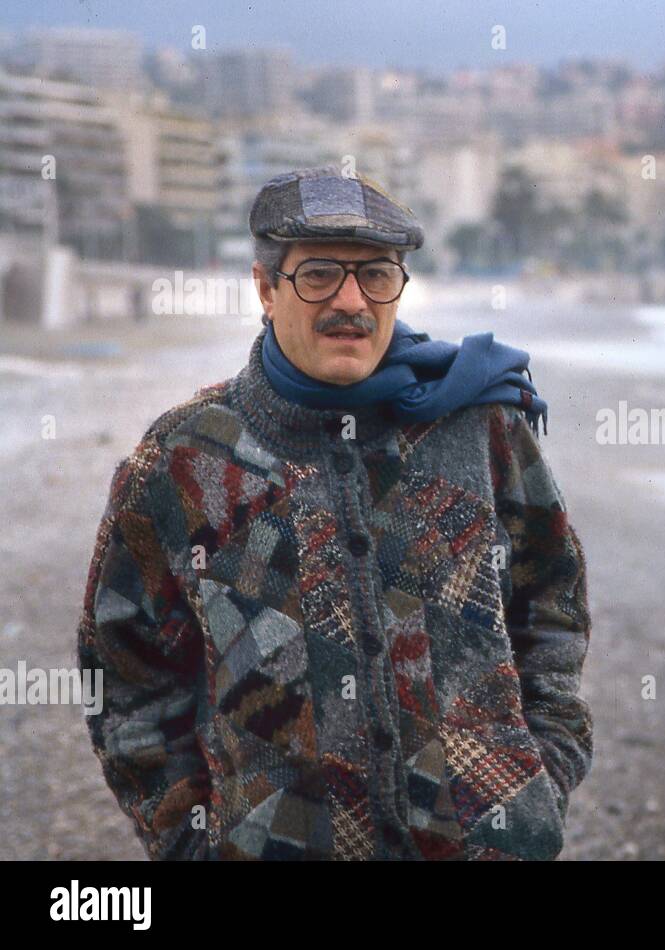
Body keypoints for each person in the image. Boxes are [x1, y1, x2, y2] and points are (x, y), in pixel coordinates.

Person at [75, 165, 593, 860]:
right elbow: (124, 674)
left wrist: (540, 780)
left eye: (376, 275)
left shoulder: (481, 430)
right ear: (265, 288)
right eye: (319, 274)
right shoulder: (183, 462)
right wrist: (187, 841)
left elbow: (553, 604)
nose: (352, 300)